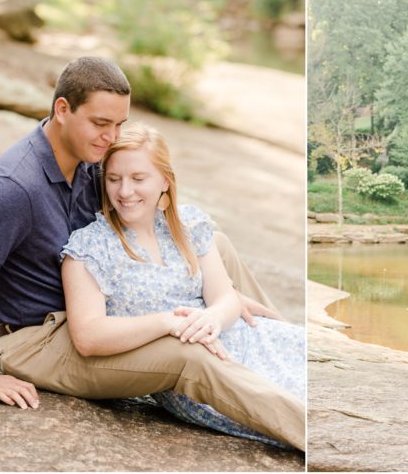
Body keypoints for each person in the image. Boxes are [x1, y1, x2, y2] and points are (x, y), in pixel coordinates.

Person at [0, 56, 305, 450]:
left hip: (98, 306)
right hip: (45, 340)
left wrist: (213, 295)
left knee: (214, 242)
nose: (110, 137)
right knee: (187, 354)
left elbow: (152, 221)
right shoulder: (12, 189)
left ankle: (274, 344)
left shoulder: (90, 162)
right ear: (62, 110)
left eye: (119, 124)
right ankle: (305, 430)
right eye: (100, 124)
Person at [60, 123, 305, 446]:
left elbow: (225, 298)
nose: (124, 192)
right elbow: (88, 336)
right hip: (204, 374)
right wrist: (169, 324)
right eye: (114, 179)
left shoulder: (189, 226)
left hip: (243, 338)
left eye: (138, 179)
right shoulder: (91, 246)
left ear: (165, 180)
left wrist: (212, 318)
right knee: (297, 410)